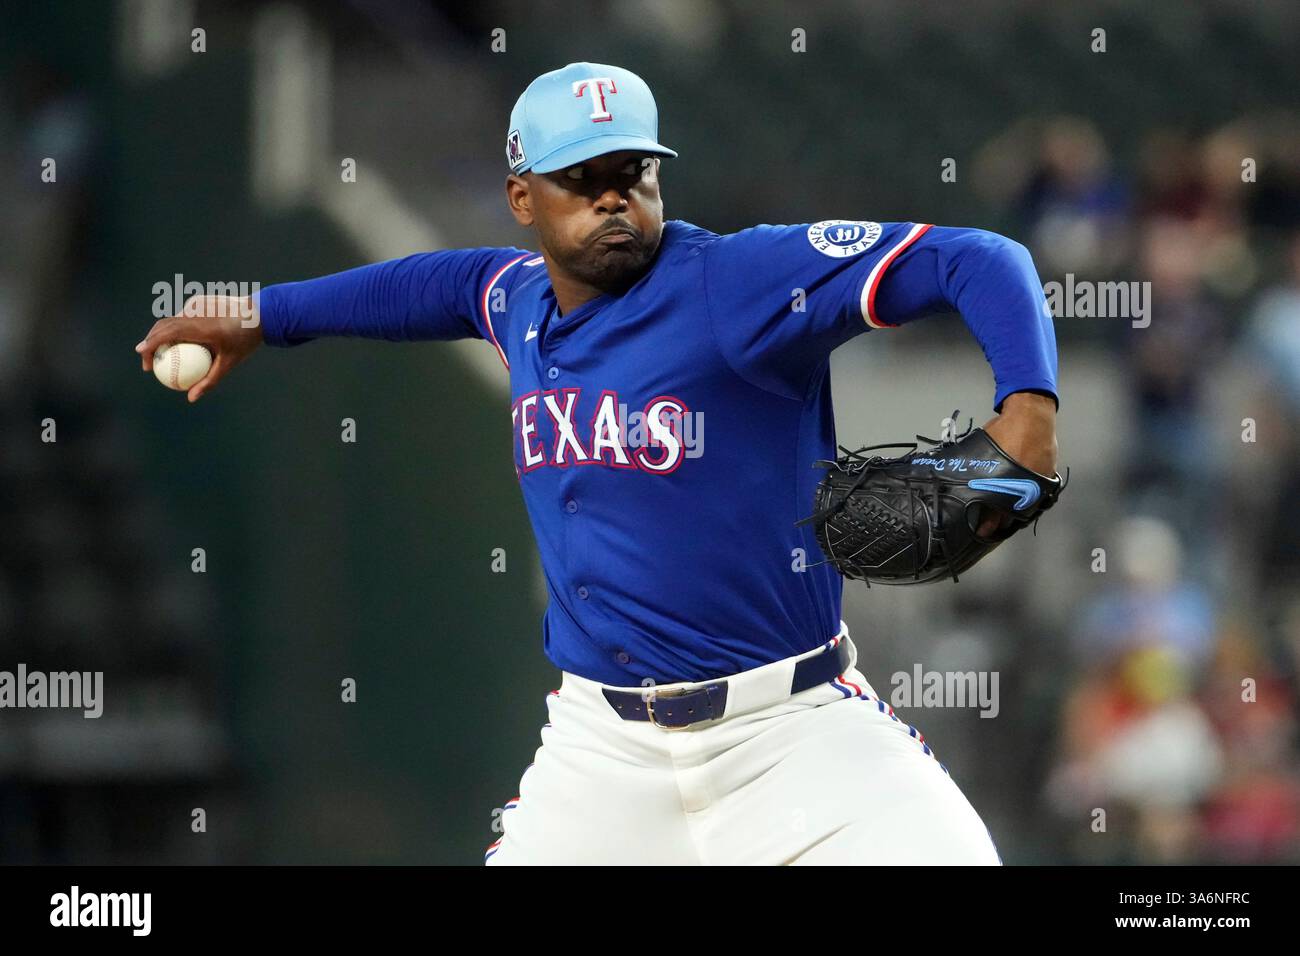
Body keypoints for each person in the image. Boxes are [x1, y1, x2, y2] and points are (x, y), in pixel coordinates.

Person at [136, 62, 1060, 865]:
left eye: (636, 173)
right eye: (585, 178)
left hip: (796, 733)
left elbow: (980, 258)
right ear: (523, 198)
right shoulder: (515, 301)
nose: (618, 196)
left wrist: (1028, 412)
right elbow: (422, 288)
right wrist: (263, 315)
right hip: (602, 755)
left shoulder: (735, 285)